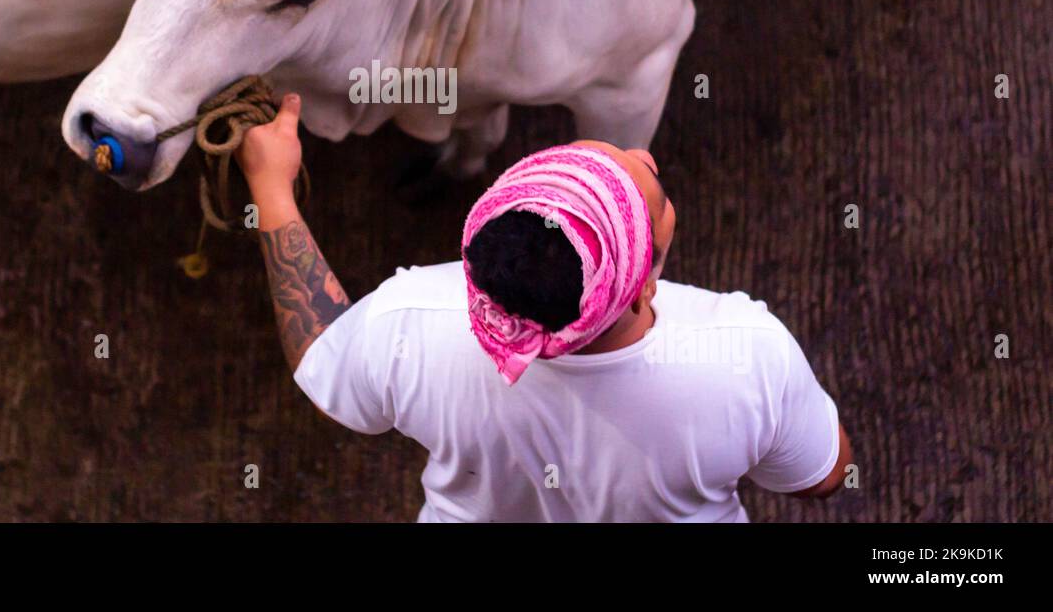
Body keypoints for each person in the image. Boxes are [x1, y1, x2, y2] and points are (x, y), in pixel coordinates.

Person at [237, 93, 854, 522]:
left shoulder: (408, 323)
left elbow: (324, 353)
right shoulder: (746, 355)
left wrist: (269, 185)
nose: (647, 157)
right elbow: (823, 477)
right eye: (658, 196)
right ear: (639, 288)